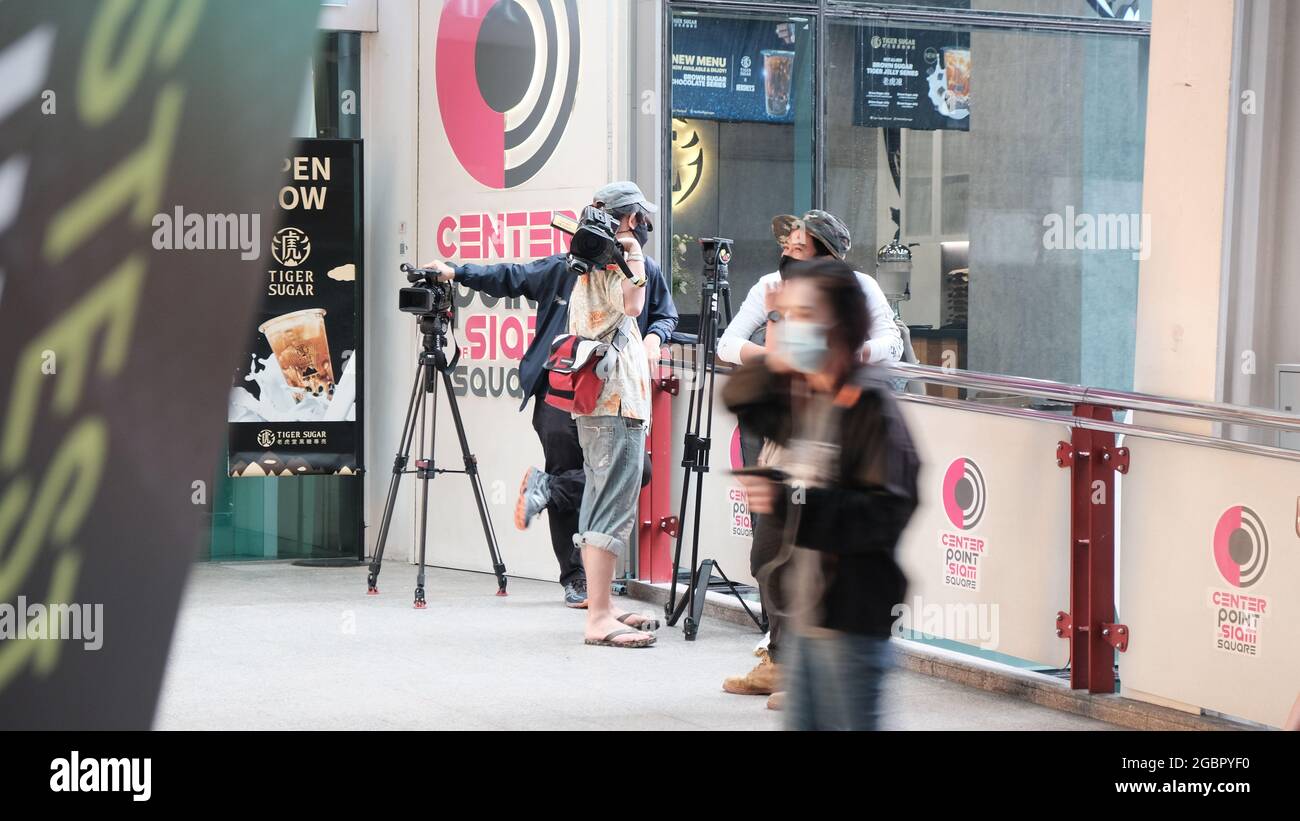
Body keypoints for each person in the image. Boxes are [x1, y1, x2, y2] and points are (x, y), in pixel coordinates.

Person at [425, 182, 677, 608]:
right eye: (638, 215)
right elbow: (509, 276)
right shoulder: (566, 268)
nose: (644, 223)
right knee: (584, 471)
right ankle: (576, 579)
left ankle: (548, 491)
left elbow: (662, 314)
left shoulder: (642, 268)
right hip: (560, 391)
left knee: (631, 472)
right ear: (628, 218)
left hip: (612, 395)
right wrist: (456, 270)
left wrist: (654, 339)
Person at [716, 210, 902, 709]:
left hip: (825, 430)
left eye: (800, 243)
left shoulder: (856, 288)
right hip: (778, 429)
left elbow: (892, 342)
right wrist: (774, 358)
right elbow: (728, 343)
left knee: (812, 550)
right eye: (789, 241)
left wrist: (841, 355)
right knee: (768, 551)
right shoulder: (771, 285)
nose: (789, 247)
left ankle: (813, 671)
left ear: (826, 251)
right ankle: (780, 659)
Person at [567, 219, 659, 648]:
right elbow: (637, 304)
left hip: (601, 406)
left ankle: (602, 604)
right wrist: (632, 253)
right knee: (611, 508)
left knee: (598, 502)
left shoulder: (586, 266)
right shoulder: (612, 264)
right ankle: (600, 617)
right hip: (616, 405)